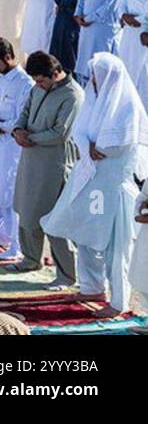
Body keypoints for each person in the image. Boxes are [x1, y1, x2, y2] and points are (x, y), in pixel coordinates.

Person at [42, 53, 148, 315]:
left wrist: (94, 146)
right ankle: (92, 286)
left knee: (116, 247)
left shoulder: (127, 107)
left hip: (114, 190)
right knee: (86, 235)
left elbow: (118, 145)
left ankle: (118, 302)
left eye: (100, 76)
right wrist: (89, 146)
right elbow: (78, 133)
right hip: (93, 188)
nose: (96, 82)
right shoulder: (93, 102)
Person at [11, 52, 81, 287]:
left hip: (54, 163)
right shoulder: (37, 88)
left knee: (54, 218)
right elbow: (25, 113)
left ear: (55, 74)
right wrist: (18, 131)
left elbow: (61, 133)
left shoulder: (72, 95)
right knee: (26, 208)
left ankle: (67, 275)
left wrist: (31, 137)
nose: (38, 85)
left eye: (41, 80)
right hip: (30, 158)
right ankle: (31, 259)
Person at [0, 38, 33, 261]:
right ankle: (1, 235)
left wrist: (0, 125)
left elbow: (23, 118)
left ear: (8, 58)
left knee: (9, 198)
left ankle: (16, 246)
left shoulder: (25, 84)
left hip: (11, 150)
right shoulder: (0, 80)